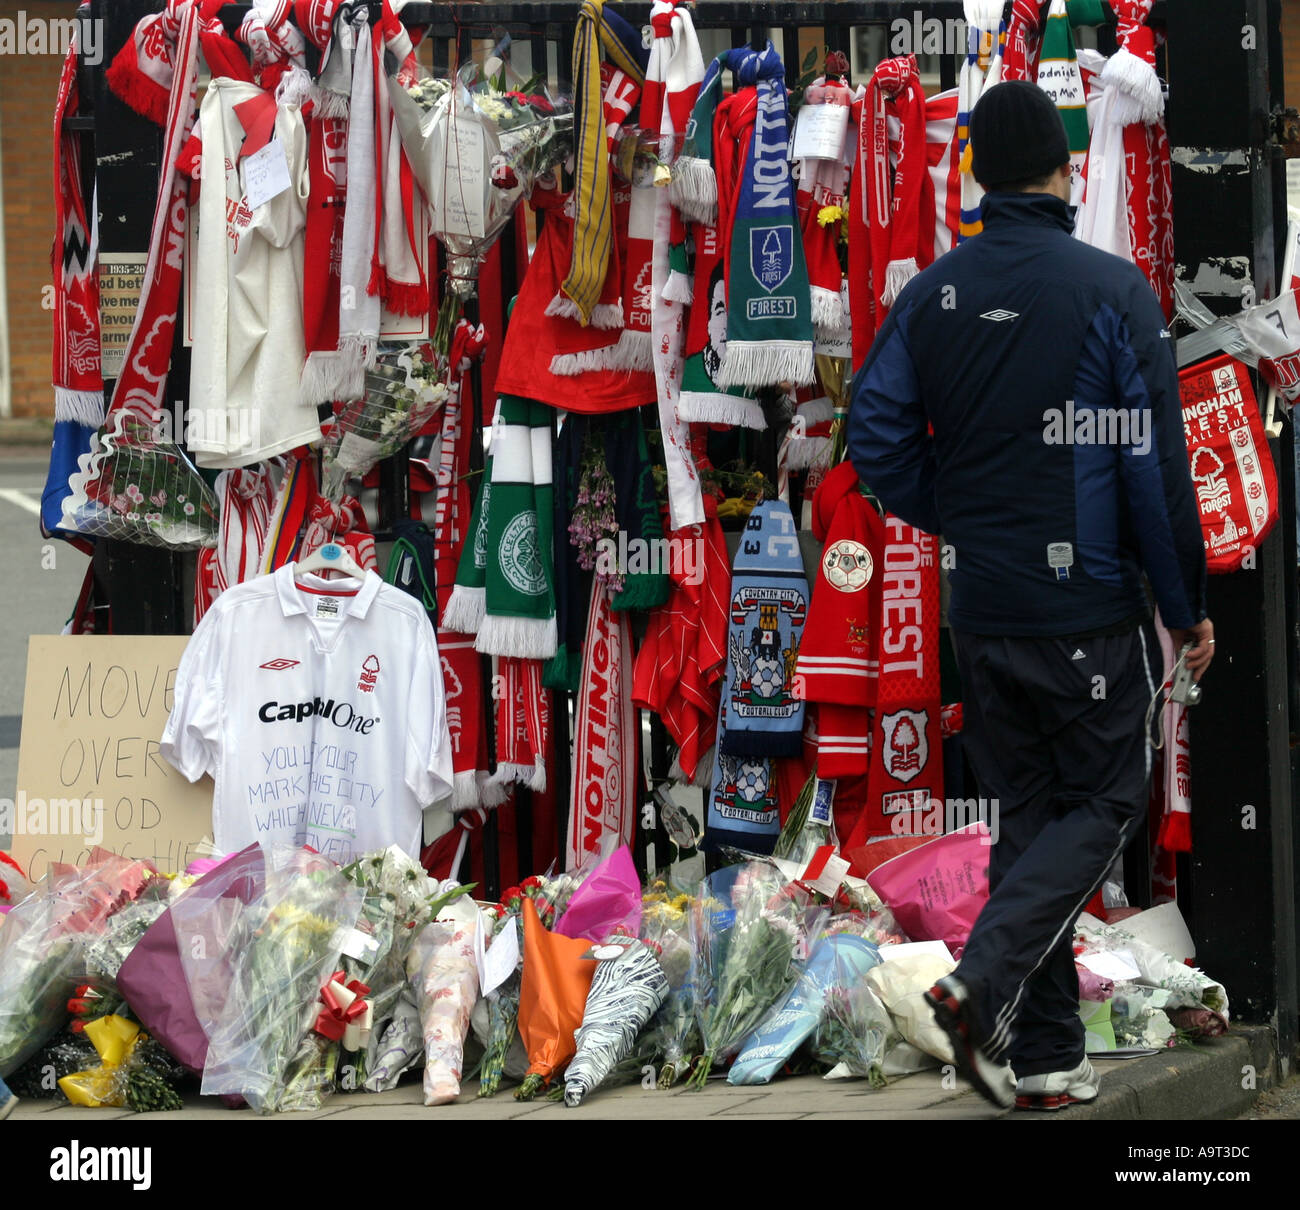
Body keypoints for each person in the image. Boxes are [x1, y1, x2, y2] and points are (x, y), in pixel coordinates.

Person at [847, 80, 1214, 1111]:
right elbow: (1152, 466)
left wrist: (964, 510)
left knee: (1032, 822)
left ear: (974, 176)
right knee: (1103, 803)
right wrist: (1183, 604)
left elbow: (874, 438)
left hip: (984, 610)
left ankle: (1049, 1056)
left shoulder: (932, 294)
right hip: (1085, 608)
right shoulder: (1112, 292)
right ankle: (979, 985)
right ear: (1064, 169)